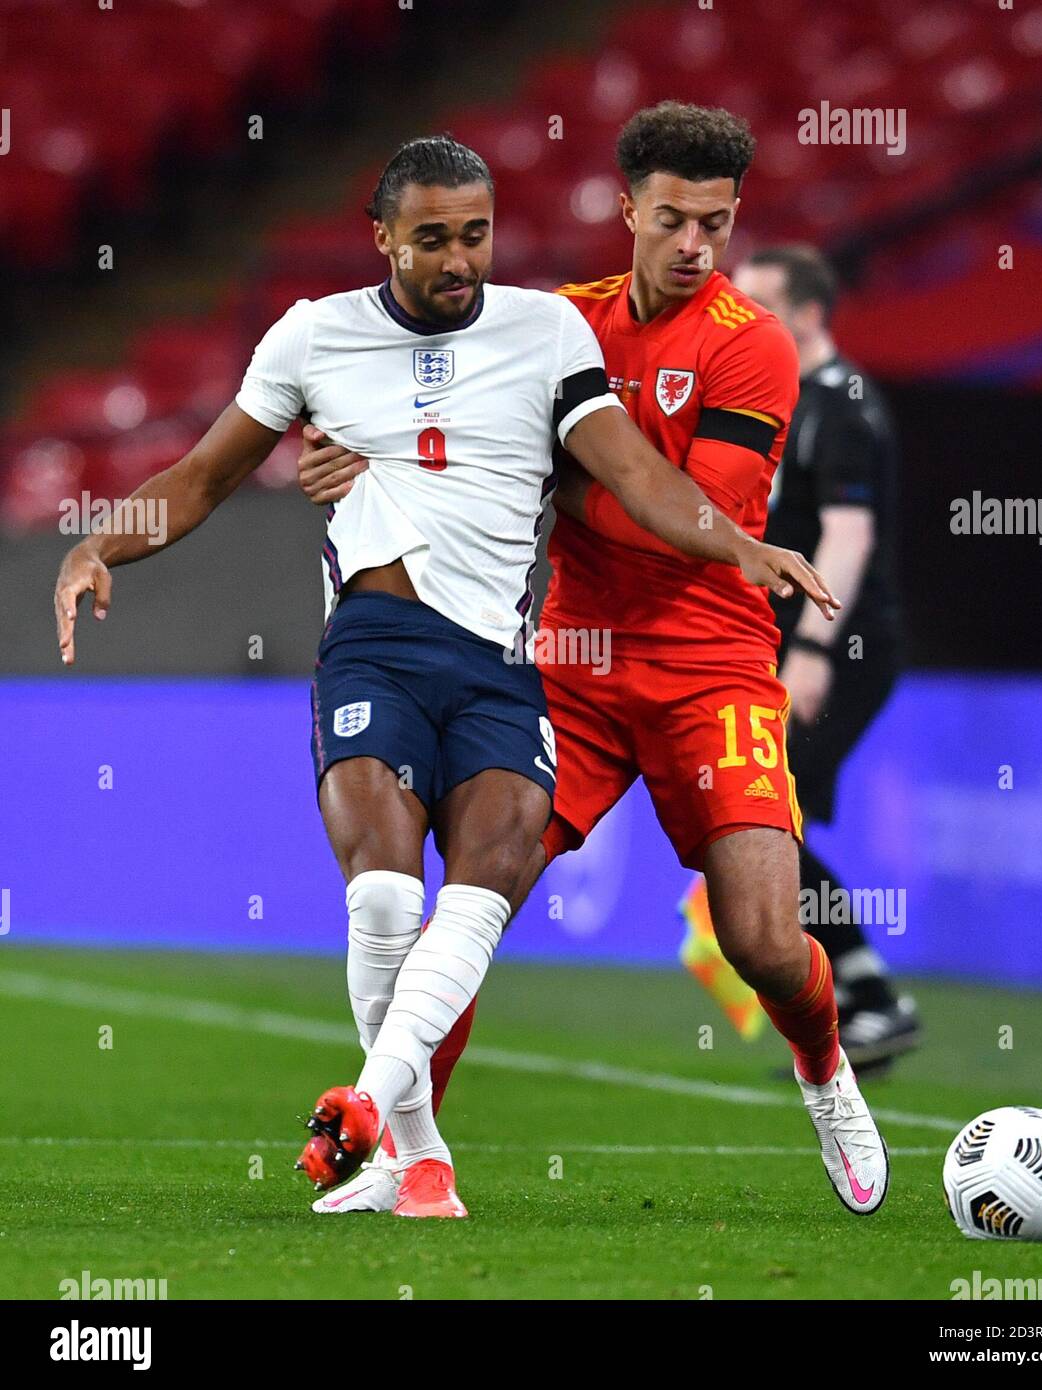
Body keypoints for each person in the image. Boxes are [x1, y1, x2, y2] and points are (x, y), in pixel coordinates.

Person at [53, 134, 834, 1220]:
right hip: (376, 647)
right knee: (382, 891)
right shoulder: (314, 335)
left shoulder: (543, 329)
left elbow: (634, 474)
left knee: (484, 893)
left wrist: (735, 542)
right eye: (431, 240)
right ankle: (408, 1147)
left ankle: (386, 1133)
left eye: (474, 235)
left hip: (510, 670)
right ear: (383, 237)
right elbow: (202, 474)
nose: (458, 258)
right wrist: (102, 542)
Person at [298, 104, 890, 1219]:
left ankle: (825, 1069)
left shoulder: (750, 341)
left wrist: (548, 481)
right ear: (627, 210)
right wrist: (348, 455)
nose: (693, 245)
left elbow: (690, 516)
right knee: (475, 897)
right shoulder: (554, 324)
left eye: (714, 223)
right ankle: (410, 1155)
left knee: (764, 937)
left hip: (712, 659)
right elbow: (422, 416)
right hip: (568, 660)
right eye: (671, 219)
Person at [725, 245, 921, 1071]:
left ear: (806, 313)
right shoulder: (783, 398)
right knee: (762, 816)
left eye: (758, 305)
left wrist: (809, 647)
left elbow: (849, 534)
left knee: (765, 814)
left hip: (842, 646)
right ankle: (851, 994)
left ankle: (870, 993)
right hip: (793, 643)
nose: (738, 321)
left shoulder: (841, 405)